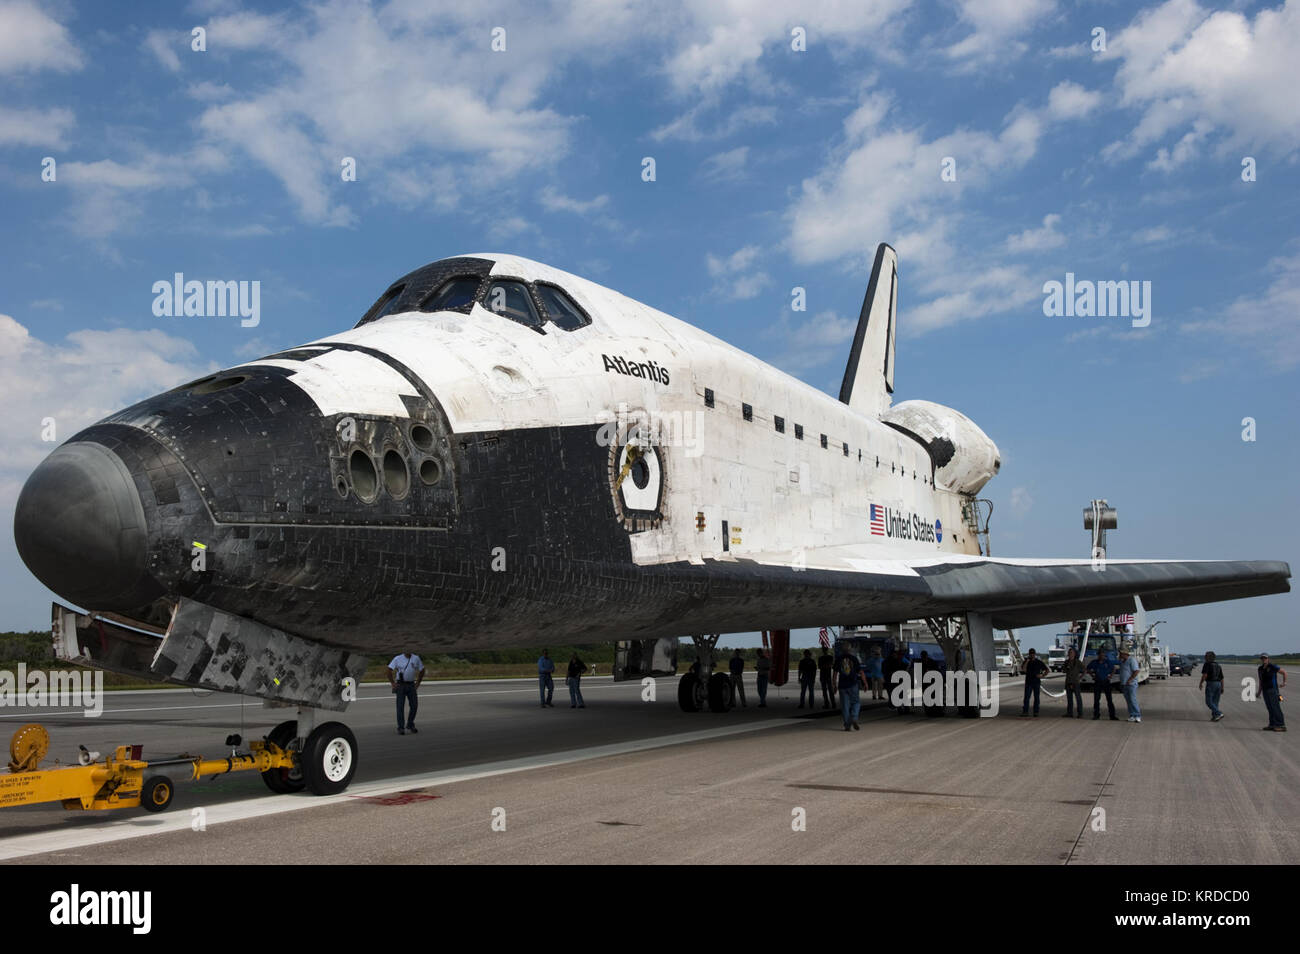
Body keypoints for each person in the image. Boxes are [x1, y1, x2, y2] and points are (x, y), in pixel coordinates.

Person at [387, 651, 425, 735]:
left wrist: (418, 682)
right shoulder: (397, 658)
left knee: (414, 706)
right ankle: (401, 727)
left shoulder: (416, 658)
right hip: (400, 685)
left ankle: (410, 724)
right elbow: (389, 670)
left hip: (411, 685)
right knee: (400, 707)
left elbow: (422, 670)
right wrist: (393, 683)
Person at [835, 642, 866, 731]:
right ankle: (854, 717)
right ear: (850, 649)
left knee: (845, 706)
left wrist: (834, 684)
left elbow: (835, 673)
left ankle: (847, 725)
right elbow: (861, 672)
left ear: (842, 649)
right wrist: (865, 683)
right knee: (856, 702)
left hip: (842, 685)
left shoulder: (838, 659)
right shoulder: (854, 658)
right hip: (853, 684)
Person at [1086, 647, 1119, 720]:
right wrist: (1092, 675)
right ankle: (1096, 715)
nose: (1102, 656)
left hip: (1106, 681)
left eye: (1103, 654)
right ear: (1098, 655)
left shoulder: (1107, 662)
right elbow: (1088, 668)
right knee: (1096, 699)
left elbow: (1114, 668)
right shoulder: (1094, 662)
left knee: (1109, 699)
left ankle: (1112, 715)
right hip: (1097, 681)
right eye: (1100, 654)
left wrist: (1110, 676)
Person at [1258, 653, 1287, 731]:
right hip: (1265, 690)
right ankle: (1272, 724)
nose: (1264, 659)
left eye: (1265, 658)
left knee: (1275, 707)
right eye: (1262, 658)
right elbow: (1261, 681)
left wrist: (1284, 682)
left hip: (1273, 690)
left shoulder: (1272, 666)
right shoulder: (1260, 669)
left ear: (1268, 659)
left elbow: (1284, 672)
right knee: (1270, 708)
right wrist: (1259, 692)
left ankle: (1281, 725)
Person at [1020, 648, 1048, 717]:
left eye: (1033, 653)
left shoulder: (1039, 662)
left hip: (1036, 682)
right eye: (1030, 654)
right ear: (1029, 654)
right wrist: (1027, 661)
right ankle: (1025, 712)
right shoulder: (1026, 661)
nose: (1032, 655)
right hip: (1028, 682)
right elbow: (1024, 670)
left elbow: (1047, 670)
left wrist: (1042, 675)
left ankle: (1036, 712)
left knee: (1036, 698)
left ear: (1035, 654)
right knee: (1027, 698)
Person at [1198, 651, 1225, 722]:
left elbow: (1205, 675)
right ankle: (1215, 716)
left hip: (1211, 683)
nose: (1204, 657)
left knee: (1208, 701)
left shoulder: (1207, 664)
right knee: (1215, 702)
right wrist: (1222, 687)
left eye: (1205, 656)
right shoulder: (1218, 665)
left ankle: (1219, 713)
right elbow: (1222, 678)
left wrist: (1201, 683)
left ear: (1208, 657)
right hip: (1218, 684)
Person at [1118, 648, 1141, 723]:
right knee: (1128, 701)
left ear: (1125, 654)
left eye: (1121, 653)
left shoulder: (1131, 660)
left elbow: (1136, 671)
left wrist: (1130, 680)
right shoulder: (1122, 662)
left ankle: (1137, 715)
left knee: (1133, 699)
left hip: (1131, 684)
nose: (1120, 655)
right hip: (1124, 684)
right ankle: (1132, 715)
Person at [1062, 646, 1084, 718]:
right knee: (1069, 699)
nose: (1070, 654)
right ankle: (1069, 713)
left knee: (1078, 698)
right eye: (1069, 653)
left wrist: (1080, 677)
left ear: (1074, 654)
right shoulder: (1066, 662)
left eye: (1072, 653)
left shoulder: (1077, 662)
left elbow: (1084, 669)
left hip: (1075, 682)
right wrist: (1066, 668)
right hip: (1068, 682)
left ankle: (1080, 713)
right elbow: (1063, 670)